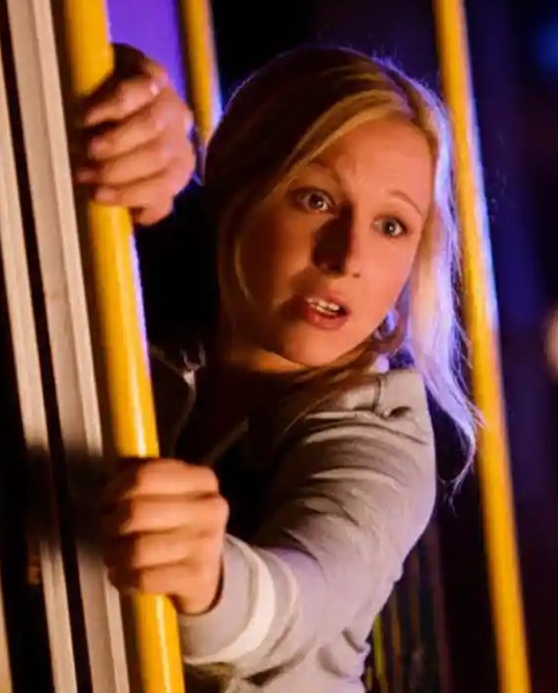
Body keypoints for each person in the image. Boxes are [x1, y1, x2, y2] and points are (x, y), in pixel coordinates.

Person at [77, 44, 476, 692]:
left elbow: (306, 595)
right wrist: (127, 98)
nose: (348, 256)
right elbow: (132, 123)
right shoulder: (149, 292)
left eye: (392, 226)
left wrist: (210, 577)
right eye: (315, 199)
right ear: (235, 187)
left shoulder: (381, 436)